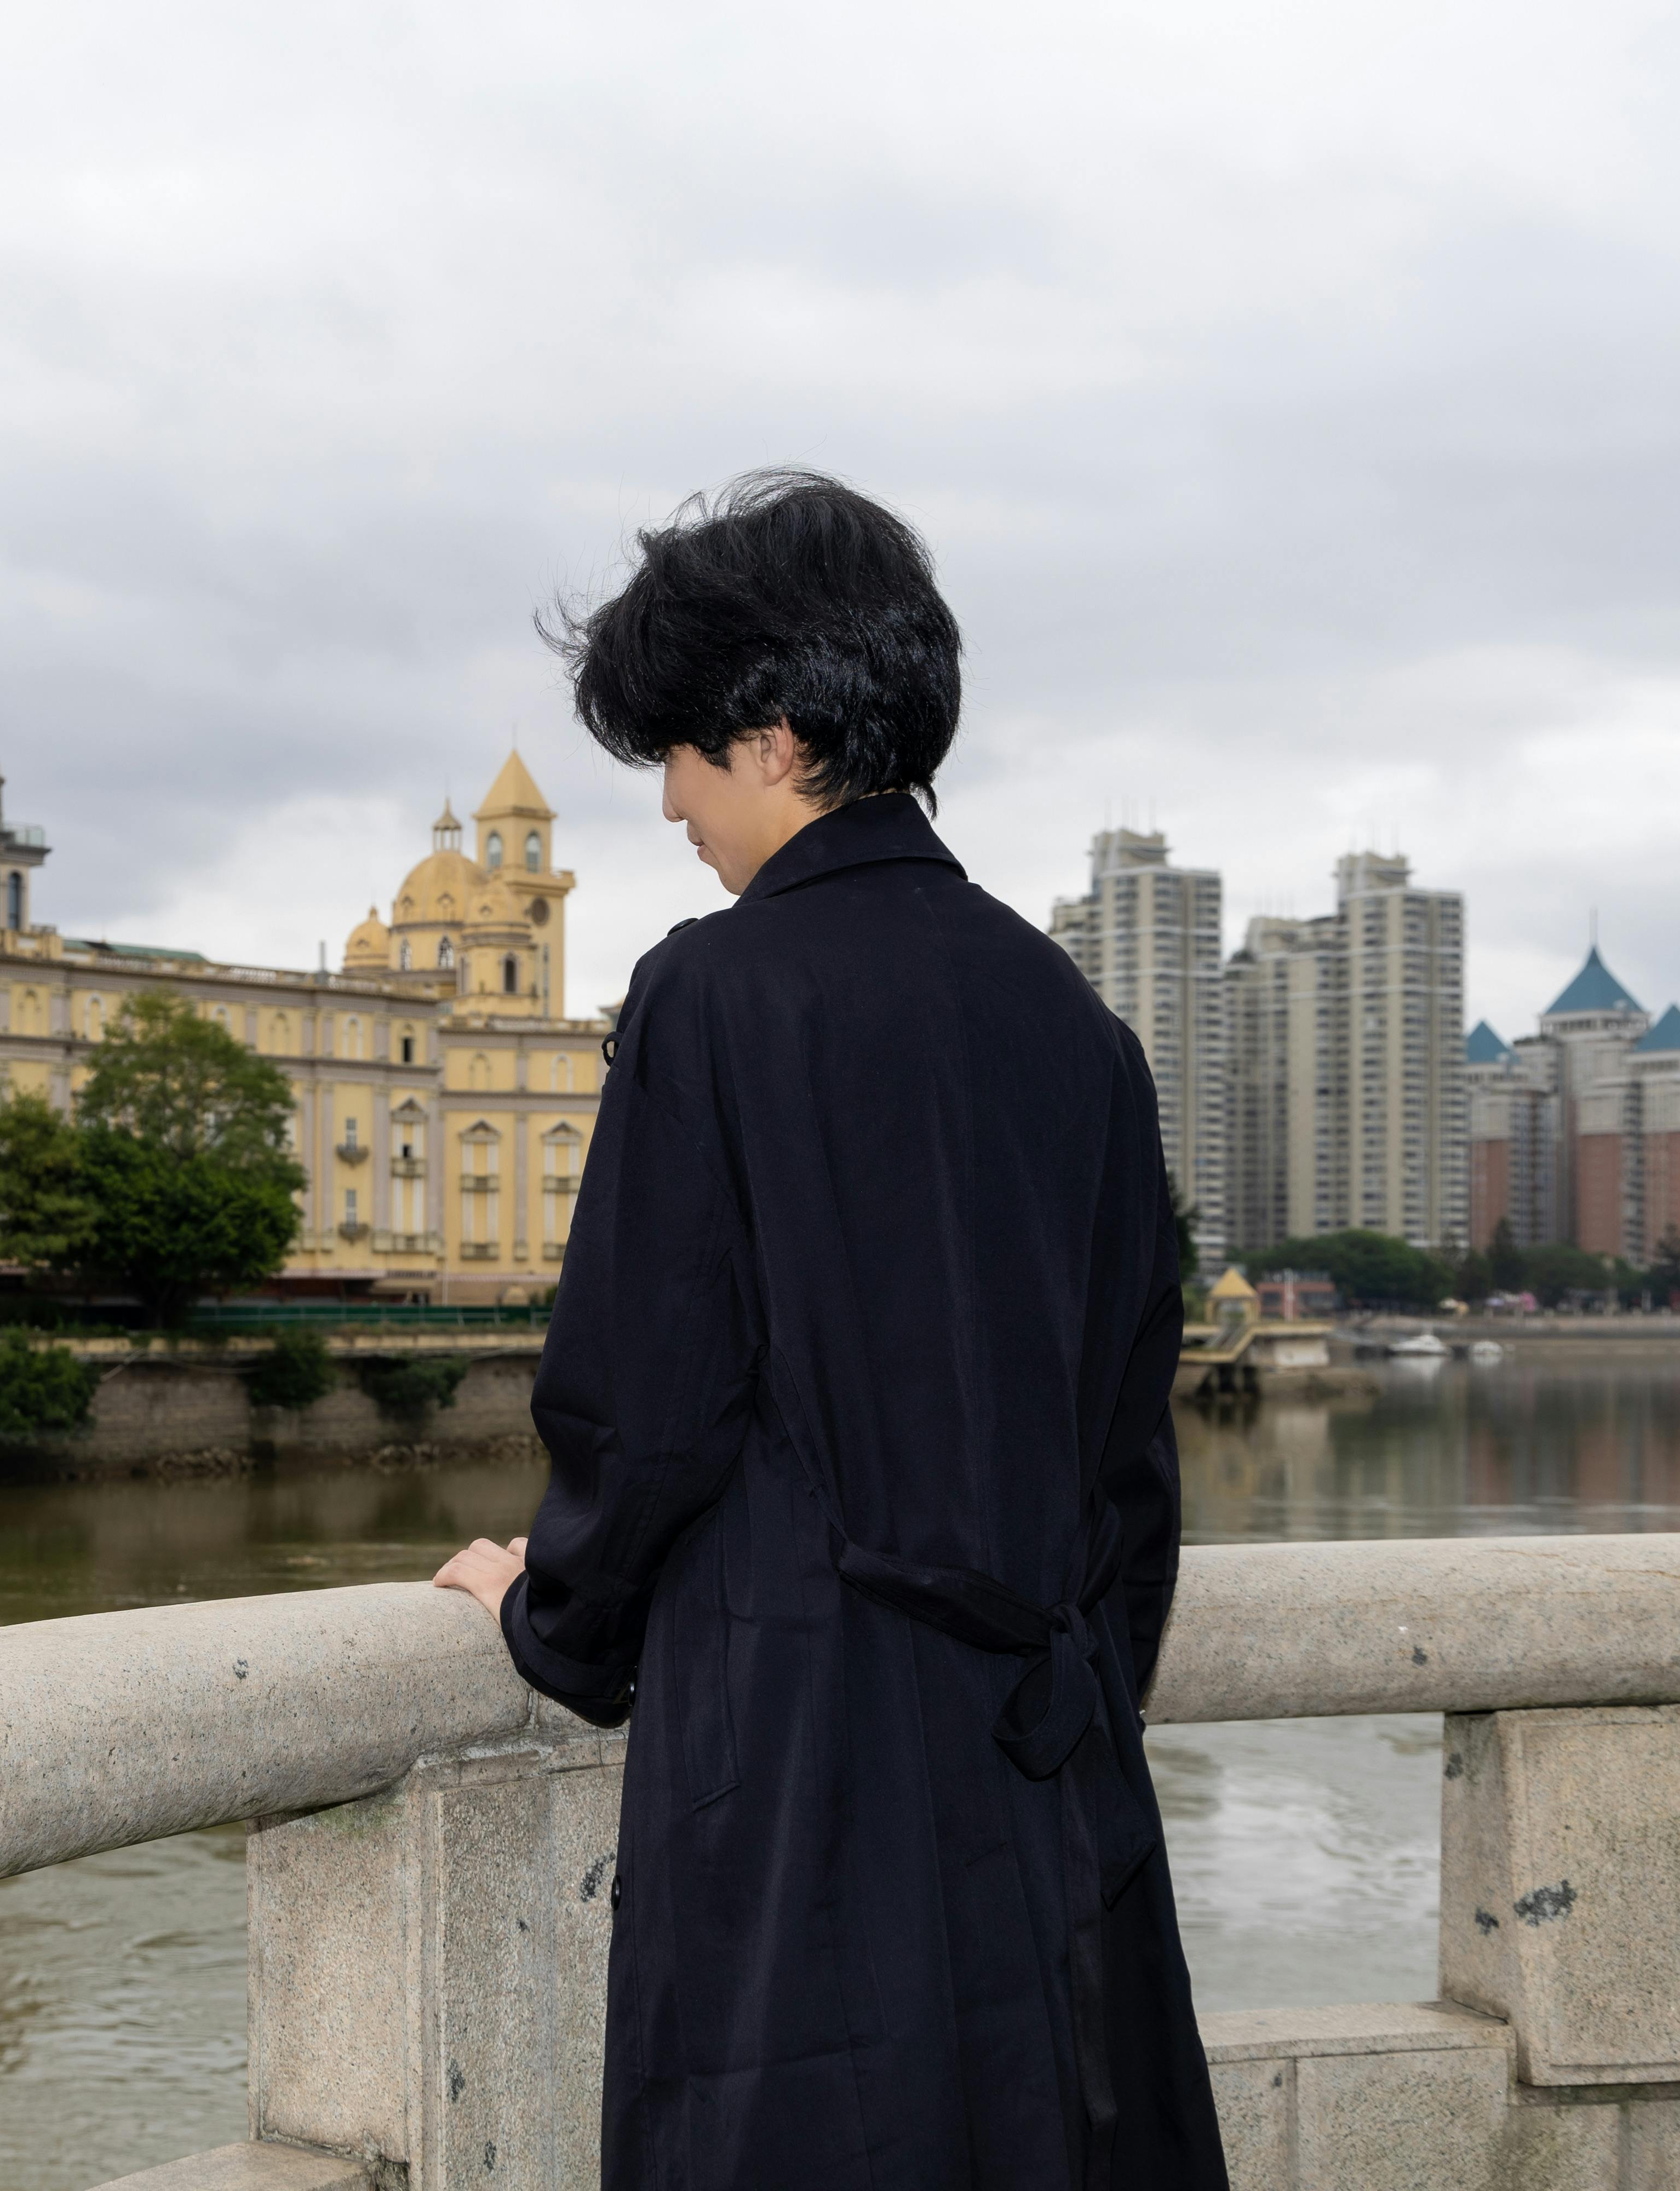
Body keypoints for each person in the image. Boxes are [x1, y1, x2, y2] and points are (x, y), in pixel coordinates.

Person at [434, 472, 1226, 2189]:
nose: (670, 803)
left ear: (774, 737)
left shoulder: (713, 991)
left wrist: (551, 1615)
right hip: (1047, 1764)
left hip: (804, 1751)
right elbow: (1125, 1452)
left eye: (679, 753)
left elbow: (646, 1404)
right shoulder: (1074, 1022)